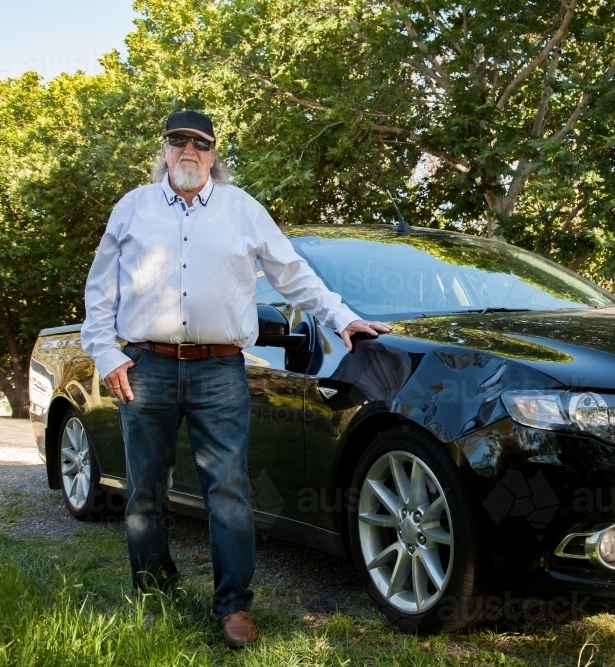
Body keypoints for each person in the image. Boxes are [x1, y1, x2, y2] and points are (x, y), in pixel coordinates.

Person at [80, 109, 390, 647]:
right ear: (164, 149)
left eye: (200, 144)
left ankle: (234, 607)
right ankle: (154, 592)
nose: (188, 151)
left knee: (228, 491)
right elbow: (99, 292)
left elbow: (293, 274)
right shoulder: (132, 209)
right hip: (145, 366)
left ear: (214, 154)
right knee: (145, 490)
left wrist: (343, 317)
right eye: (178, 142)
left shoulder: (242, 210)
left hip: (220, 368)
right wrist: (106, 354)